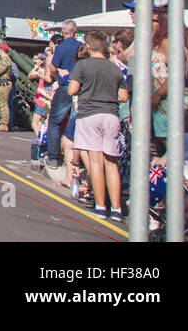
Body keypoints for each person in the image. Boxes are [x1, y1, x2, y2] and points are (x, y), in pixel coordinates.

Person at [69, 31, 128, 221]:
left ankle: (101, 206)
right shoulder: (115, 69)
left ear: (88, 46)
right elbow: (124, 96)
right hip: (111, 115)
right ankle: (117, 209)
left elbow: (72, 90)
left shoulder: (82, 65)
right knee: (112, 162)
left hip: (90, 114)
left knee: (95, 161)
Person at [44, 20, 82, 172]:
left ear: (63, 31)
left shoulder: (60, 48)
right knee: (76, 122)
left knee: (54, 121)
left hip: (65, 86)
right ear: (76, 31)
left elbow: (53, 66)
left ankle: (53, 157)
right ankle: (75, 158)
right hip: (80, 86)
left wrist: (56, 74)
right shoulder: (80, 46)